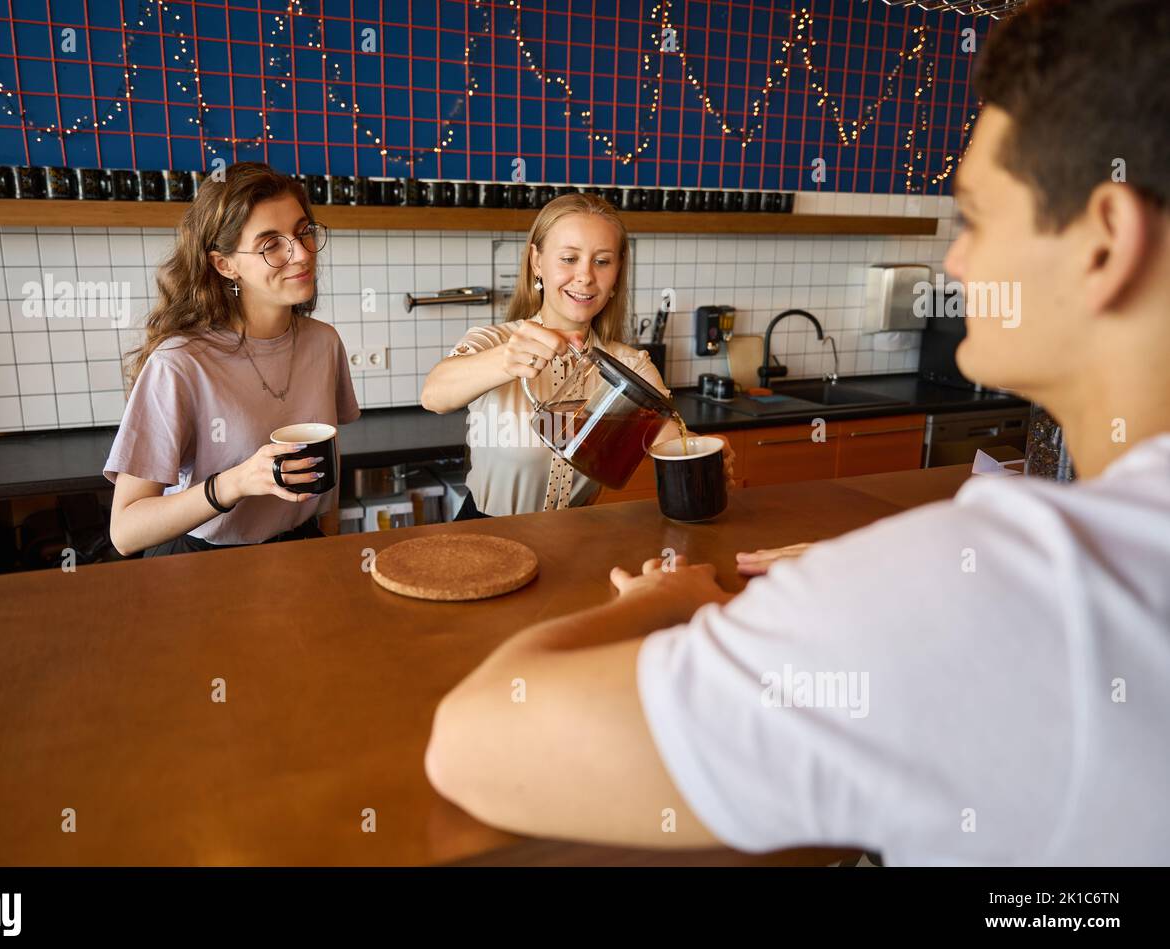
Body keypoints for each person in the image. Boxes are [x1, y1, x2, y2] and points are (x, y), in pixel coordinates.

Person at [424, 0, 1170, 864]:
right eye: (568, 259)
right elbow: (444, 391)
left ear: (1105, 242)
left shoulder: (978, 588)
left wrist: (675, 598)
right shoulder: (1040, 571)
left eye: (976, 217)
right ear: (536, 265)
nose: (954, 263)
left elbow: (481, 739)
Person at [420, 192, 736, 518]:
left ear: (616, 275)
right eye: (569, 259)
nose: (585, 276)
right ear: (537, 262)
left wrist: (707, 450)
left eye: (601, 261)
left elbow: (669, 439)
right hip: (489, 535)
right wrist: (504, 360)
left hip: (575, 538)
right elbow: (434, 395)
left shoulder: (631, 367)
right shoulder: (494, 341)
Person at [105, 162, 359, 556]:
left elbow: (325, 477)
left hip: (303, 553)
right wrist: (234, 483)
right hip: (206, 563)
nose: (301, 254)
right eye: (270, 243)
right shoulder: (179, 362)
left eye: (303, 232)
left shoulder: (323, 343)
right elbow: (125, 532)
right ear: (225, 265)